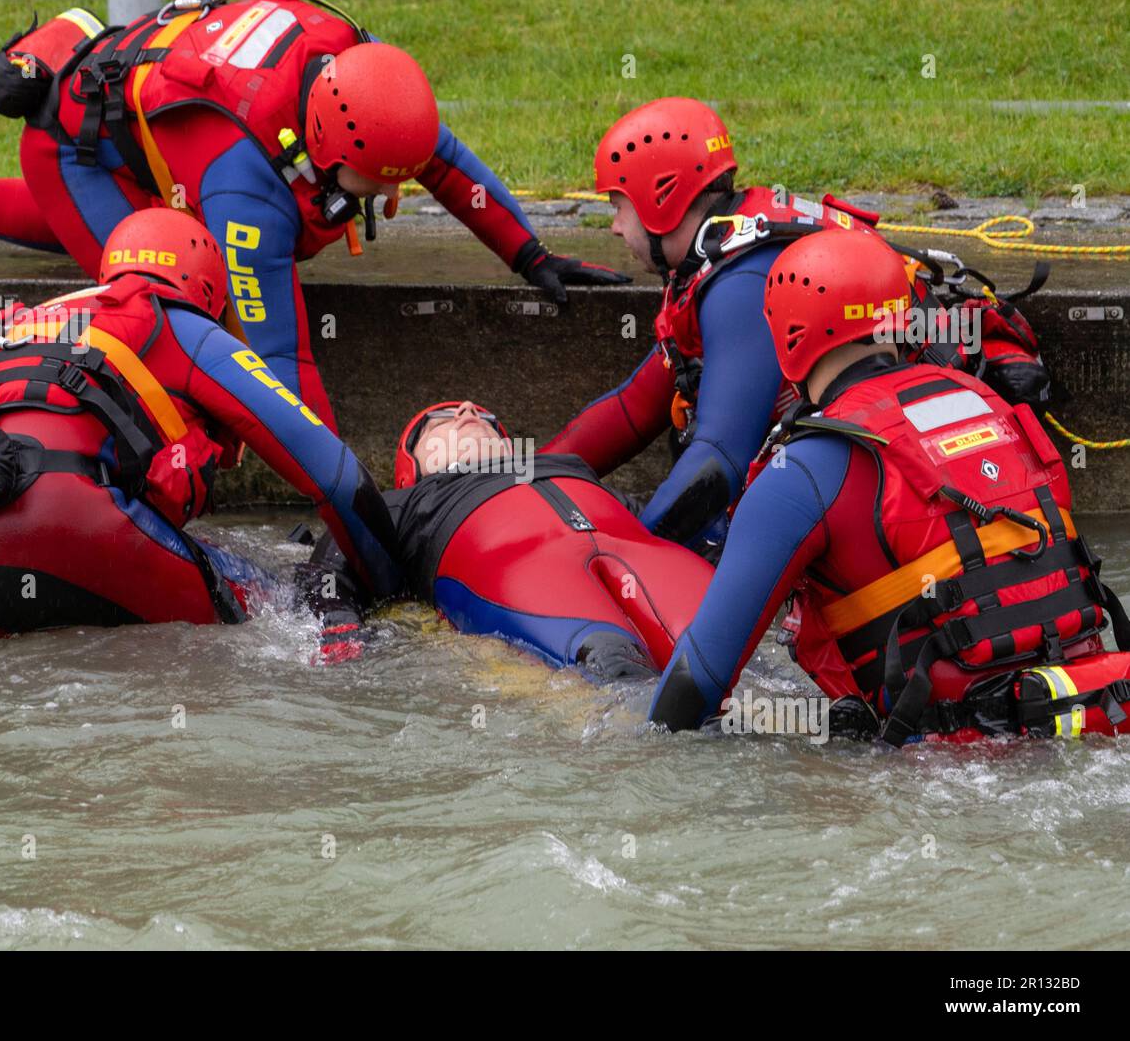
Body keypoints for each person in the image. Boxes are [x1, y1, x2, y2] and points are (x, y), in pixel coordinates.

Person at [0, 0, 628, 430]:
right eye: (377, 183)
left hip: (155, 121)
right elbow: (281, 361)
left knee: (158, 234)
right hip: (71, 144)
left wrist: (533, 256)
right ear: (323, 151)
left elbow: (447, 162)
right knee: (156, 292)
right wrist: (337, 494)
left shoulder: (368, 88)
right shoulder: (247, 192)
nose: (397, 194)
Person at [648, 227, 1130, 745]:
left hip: (947, 766)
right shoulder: (986, 402)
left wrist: (642, 748)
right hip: (1094, 708)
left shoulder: (800, 471)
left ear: (787, 337)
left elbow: (696, 680)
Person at [543, 97, 1048, 554]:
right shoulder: (718, 257)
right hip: (916, 455)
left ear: (661, 196)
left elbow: (718, 464)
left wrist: (625, 558)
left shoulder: (740, 281)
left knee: (721, 523)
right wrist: (528, 473)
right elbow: (636, 406)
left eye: (617, 206)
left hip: (931, 484)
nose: (612, 227)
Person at [0, 209, 400, 638]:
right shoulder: (181, 323)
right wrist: (393, 590)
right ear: (208, 289)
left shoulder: (19, 326)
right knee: (293, 605)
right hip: (70, 529)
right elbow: (332, 471)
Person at [299, 401, 714, 680]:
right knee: (612, 666)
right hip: (526, 570)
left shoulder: (571, 468)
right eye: (440, 418)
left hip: (636, 552)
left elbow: (670, 529)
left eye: (483, 416)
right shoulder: (405, 503)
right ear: (413, 469)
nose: (465, 410)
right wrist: (338, 621)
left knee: (724, 658)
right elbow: (333, 561)